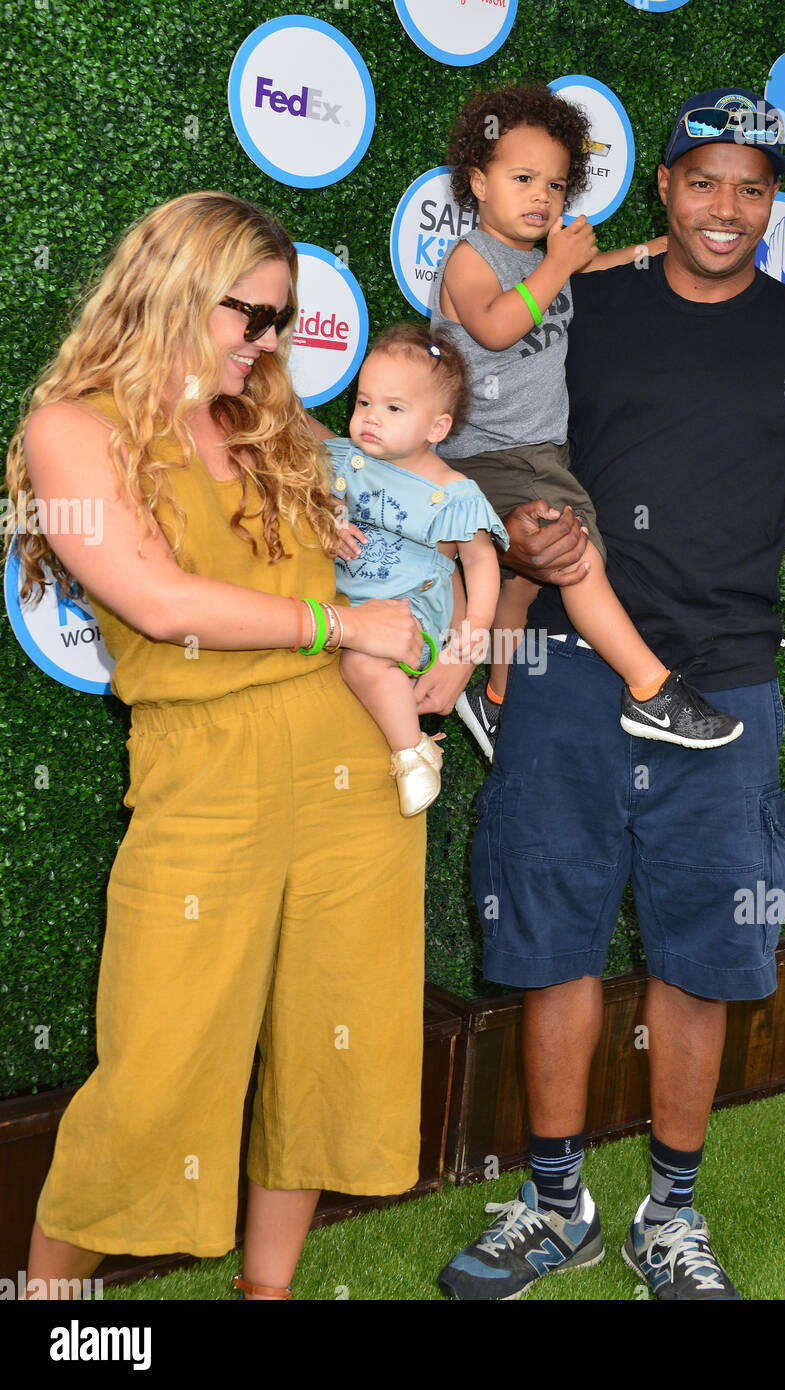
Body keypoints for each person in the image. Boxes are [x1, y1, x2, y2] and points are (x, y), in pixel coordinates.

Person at [437, 88, 785, 1301]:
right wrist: (511, 553)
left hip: (727, 694)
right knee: (549, 943)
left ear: (772, 199)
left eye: (750, 186)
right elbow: (483, 442)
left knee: (704, 961)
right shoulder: (584, 308)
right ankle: (553, 1203)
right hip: (566, 680)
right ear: (664, 189)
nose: (724, 207)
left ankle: (668, 1216)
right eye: (702, 181)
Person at [5, 190, 431, 1300]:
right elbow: (153, 598)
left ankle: (269, 1294)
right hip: (203, 777)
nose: (272, 344)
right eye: (254, 317)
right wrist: (337, 623)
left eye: (281, 321)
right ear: (179, 287)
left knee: (330, 1045)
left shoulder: (275, 426)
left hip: (349, 774)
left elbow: (422, 512)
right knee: (154, 1072)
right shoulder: (73, 429)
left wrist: (455, 609)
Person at [431, 83, 743, 759]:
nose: (542, 196)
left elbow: (590, 271)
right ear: (477, 183)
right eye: (522, 179)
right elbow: (495, 324)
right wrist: (559, 264)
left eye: (555, 183)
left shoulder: (543, 262)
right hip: (488, 455)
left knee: (522, 580)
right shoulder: (470, 259)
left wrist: (660, 247)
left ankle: (495, 701)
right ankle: (649, 687)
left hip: (535, 454)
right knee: (578, 561)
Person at [327, 324, 507, 817]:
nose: (371, 419)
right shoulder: (347, 462)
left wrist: (474, 630)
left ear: (437, 428)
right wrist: (329, 521)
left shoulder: (454, 492)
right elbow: (315, 503)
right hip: (343, 608)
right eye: (364, 403)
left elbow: (480, 560)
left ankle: (414, 755)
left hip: (412, 617)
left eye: (393, 408)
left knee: (363, 663)